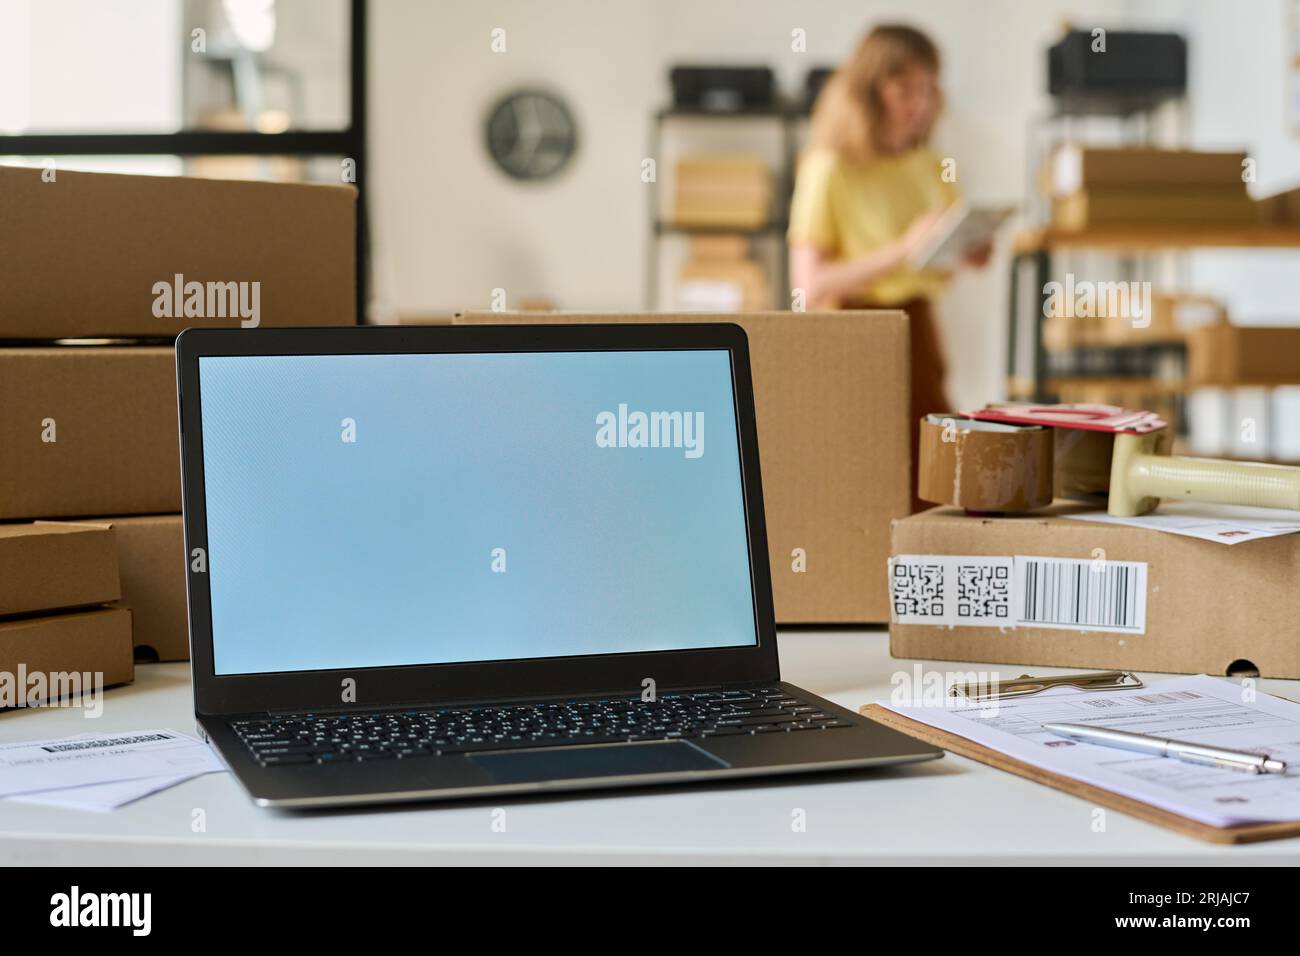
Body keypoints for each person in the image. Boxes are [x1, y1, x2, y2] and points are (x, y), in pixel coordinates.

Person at [787, 24, 990, 511]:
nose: (918, 104)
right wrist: (902, 249)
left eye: (926, 88)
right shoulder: (830, 168)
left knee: (931, 480)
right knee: (856, 482)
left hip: (919, 328)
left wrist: (964, 250)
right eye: (904, 89)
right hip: (852, 336)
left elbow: (934, 262)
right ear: (870, 92)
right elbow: (808, 285)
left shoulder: (930, 165)